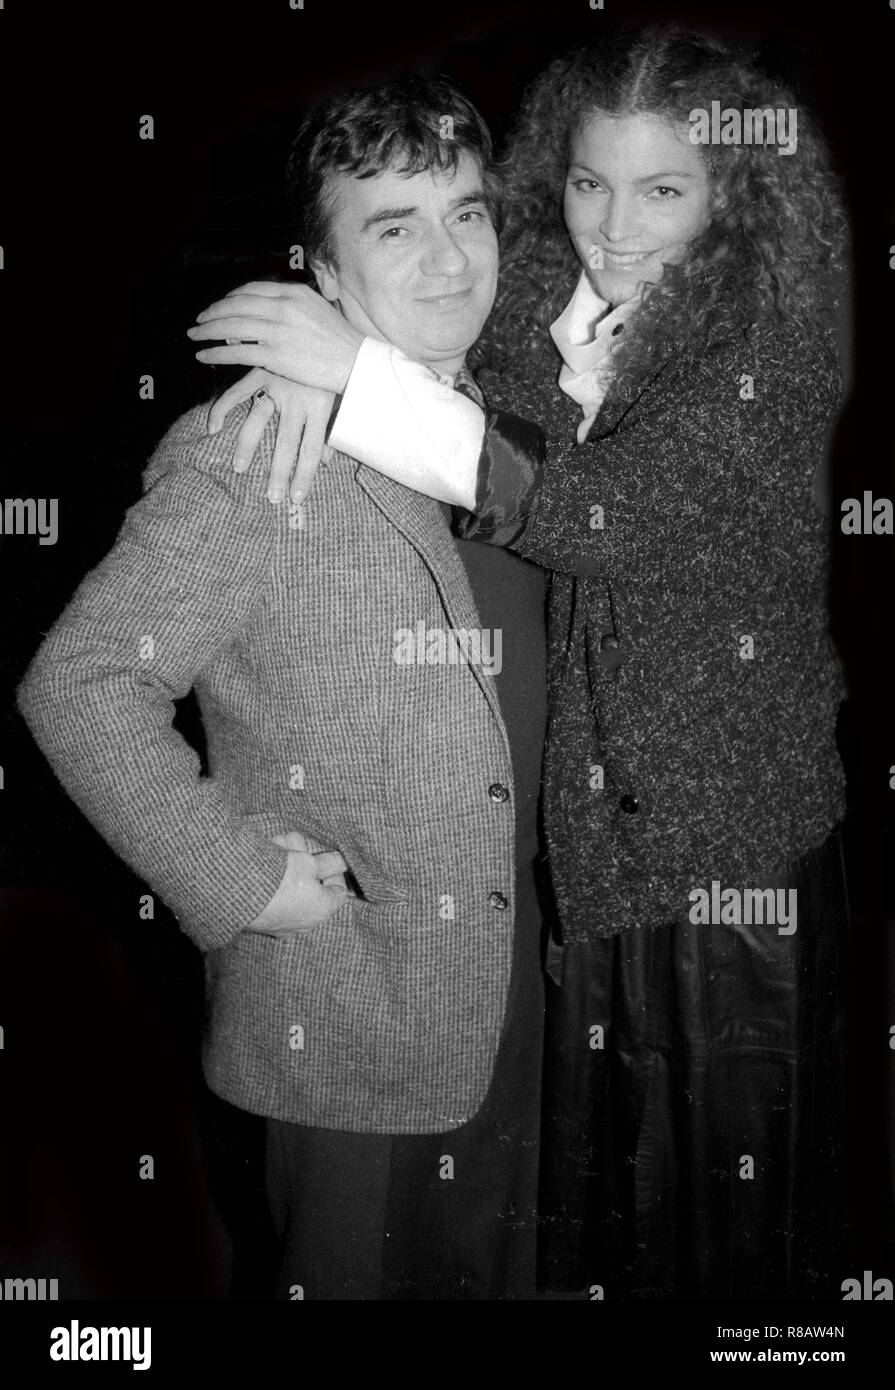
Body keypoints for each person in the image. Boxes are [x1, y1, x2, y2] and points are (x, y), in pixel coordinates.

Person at [196, 28, 851, 1298]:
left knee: (727, 1252)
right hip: (586, 880)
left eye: (662, 189)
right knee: (593, 1236)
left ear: (733, 193)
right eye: (588, 182)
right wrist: (307, 369)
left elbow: (575, 511)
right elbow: (423, 320)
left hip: (726, 887)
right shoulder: (553, 310)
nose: (613, 227)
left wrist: (356, 379)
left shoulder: (763, 350)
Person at [17, 74, 549, 1301]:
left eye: (466, 214)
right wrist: (245, 882)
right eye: (393, 226)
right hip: (354, 997)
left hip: (518, 982)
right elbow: (81, 684)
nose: (447, 259)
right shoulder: (255, 446)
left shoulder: (502, 432)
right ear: (317, 270)